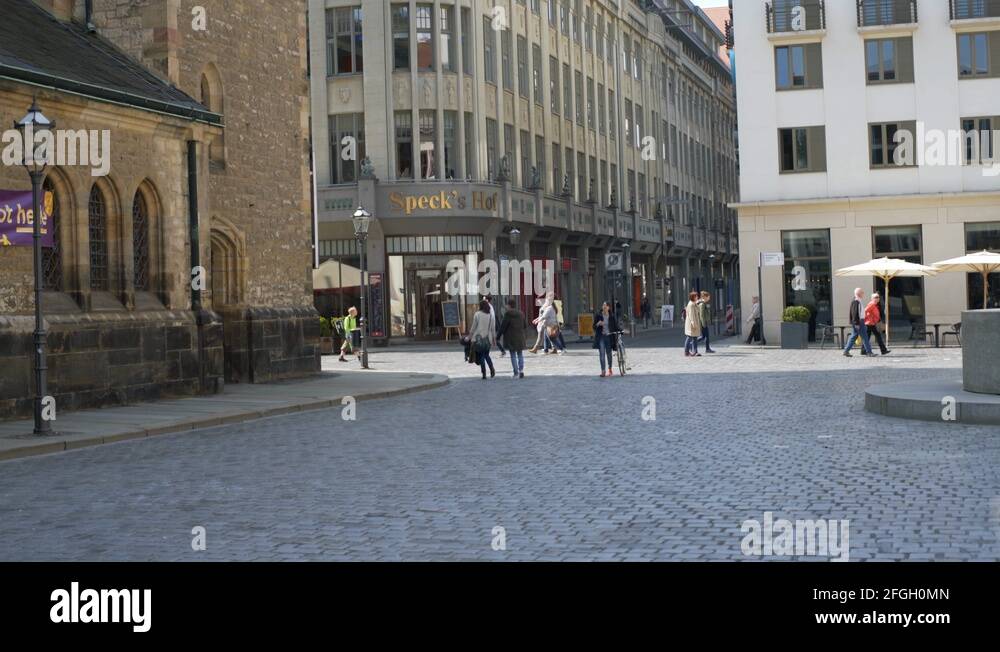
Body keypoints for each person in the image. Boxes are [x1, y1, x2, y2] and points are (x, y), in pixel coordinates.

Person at [498, 299, 527, 378]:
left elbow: (502, 327)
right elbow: (525, 325)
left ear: (509, 305)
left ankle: (516, 373)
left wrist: (498, 336)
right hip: (520, 337)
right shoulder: (521, 313)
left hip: (510, 338)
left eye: (507, 305)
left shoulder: (507, 314)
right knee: (520, 354)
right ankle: (521, 371)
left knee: (513, 355)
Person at [843, 288, 874, 357]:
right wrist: (857, 323)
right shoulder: (856, 301)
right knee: (864, 337)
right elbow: (854, 314)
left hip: (860, 322)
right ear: (859, 293)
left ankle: (846, 351)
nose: (863, 293)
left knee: (854, 336)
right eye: (862, 292)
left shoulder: (858, 301)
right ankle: (869, 352)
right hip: (859, 322)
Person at [469, 299, 497, 378]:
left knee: (481, 355)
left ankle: (484, 373)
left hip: (479, 339)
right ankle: (492, 369)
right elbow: (493, 329)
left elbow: (473, 327)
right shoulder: (490, 316)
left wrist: (469, 337)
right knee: (486, 355)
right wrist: (494, 340)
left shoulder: (477, 314)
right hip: (488, 339)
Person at [593, 302, 619, 377]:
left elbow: (616, 327)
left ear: (608, 308)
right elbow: (593, 327)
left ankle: (610, 368)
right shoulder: (598, 316)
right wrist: (598, 324)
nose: (604, 307)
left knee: (609, 354)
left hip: (609, 337)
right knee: (601, 354)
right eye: (603, 305)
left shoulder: (611, 317)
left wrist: (623, 331)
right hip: (601, 337)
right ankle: (603, 371)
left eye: (606, 306)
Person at [684, 291, 702, 357]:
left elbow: (698, 310)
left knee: (694, 338)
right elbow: (691, 315)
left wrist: (697, 304)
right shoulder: (691, 304)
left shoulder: (693, 304)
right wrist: (694, 324)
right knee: (689, 337)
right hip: (691, 324)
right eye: (696, 296)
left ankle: (695, 351)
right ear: (693, 297)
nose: (697, 297)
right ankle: (686, 352)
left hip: (694, 323)